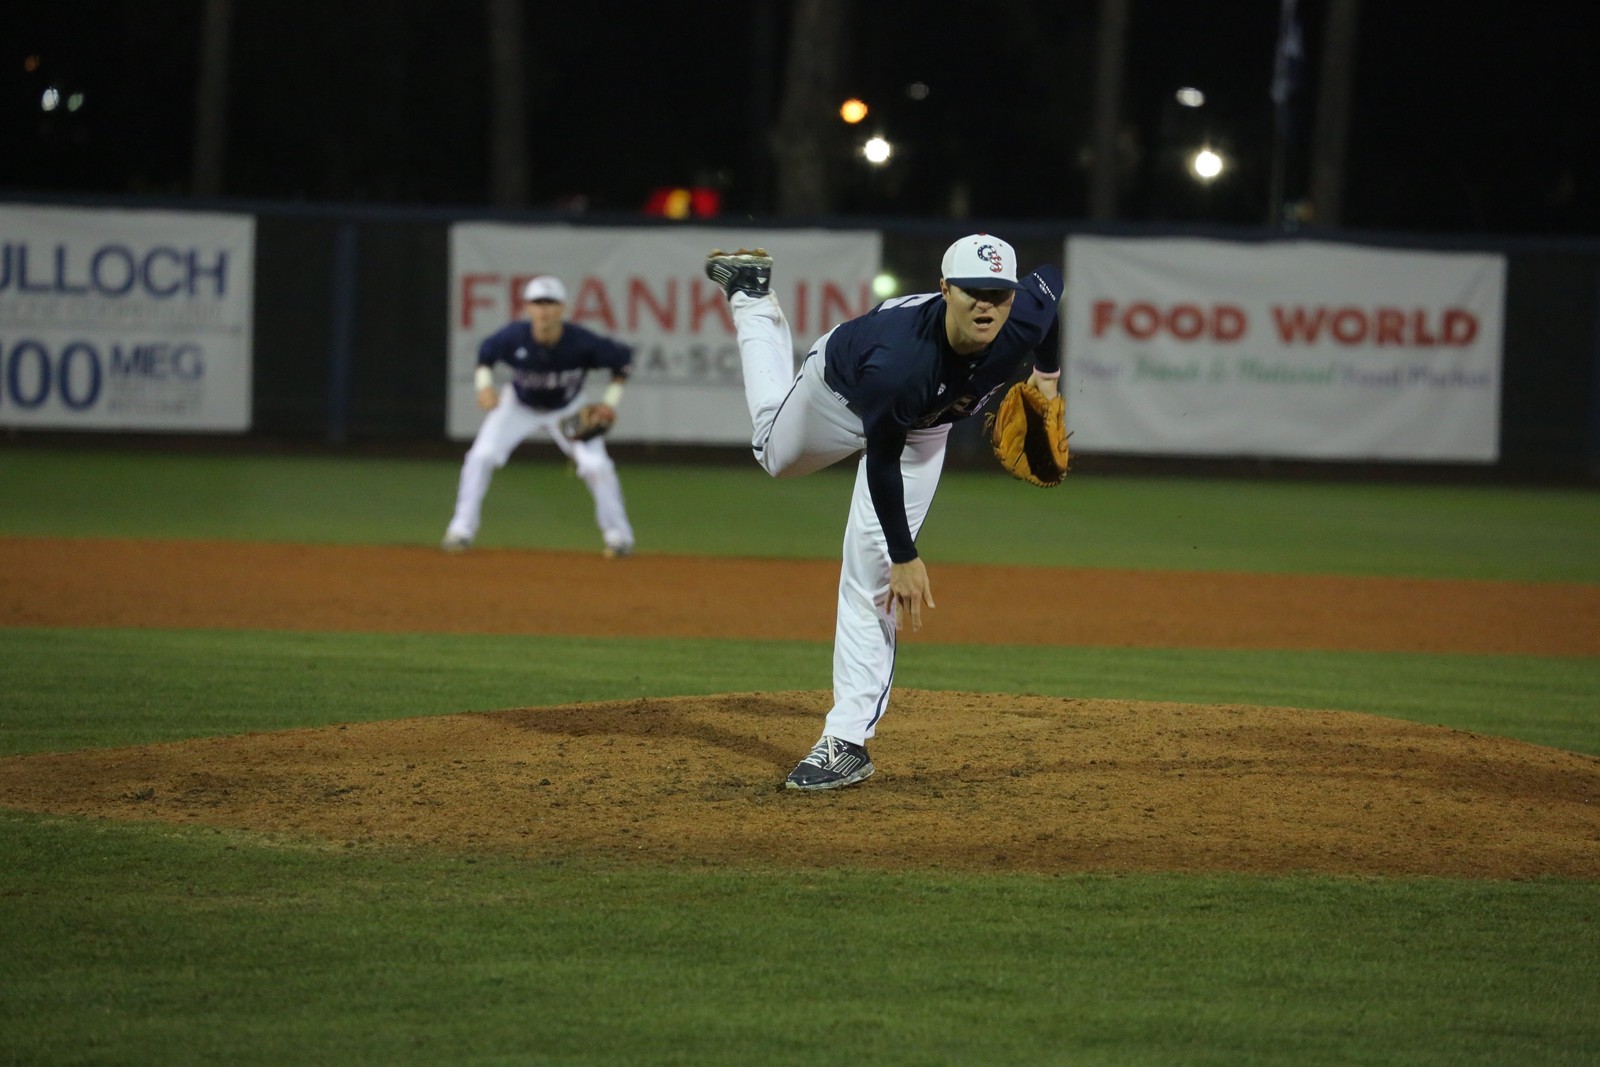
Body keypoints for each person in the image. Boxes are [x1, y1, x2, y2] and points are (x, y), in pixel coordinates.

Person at [705, 235, 1063, 791]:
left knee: (868, 576)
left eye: (999, 293)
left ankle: (846, 742)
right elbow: (881, 461)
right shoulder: (900, 364)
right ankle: (752, 298)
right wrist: (906, 554)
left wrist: (1046, 377)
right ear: (946, 289)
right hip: (841, 394)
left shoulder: (1022, 316)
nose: (987, 305)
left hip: (926, 426)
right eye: (973, 293)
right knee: (774, 456)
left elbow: (1051, 287)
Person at [442, 275, 636, 558]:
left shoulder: (581, 342)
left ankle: (619, 537)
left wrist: (609, 403)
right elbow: (485, 355)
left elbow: (624, 362)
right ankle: (460, 530)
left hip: (568, 408)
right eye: (537, 303)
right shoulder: (513, 337)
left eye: (550, 303)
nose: (544, 309)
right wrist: (484, 387)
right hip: (518, 405)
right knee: (480, 456)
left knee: (597, 466)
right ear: (527, 308)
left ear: (562, 308)